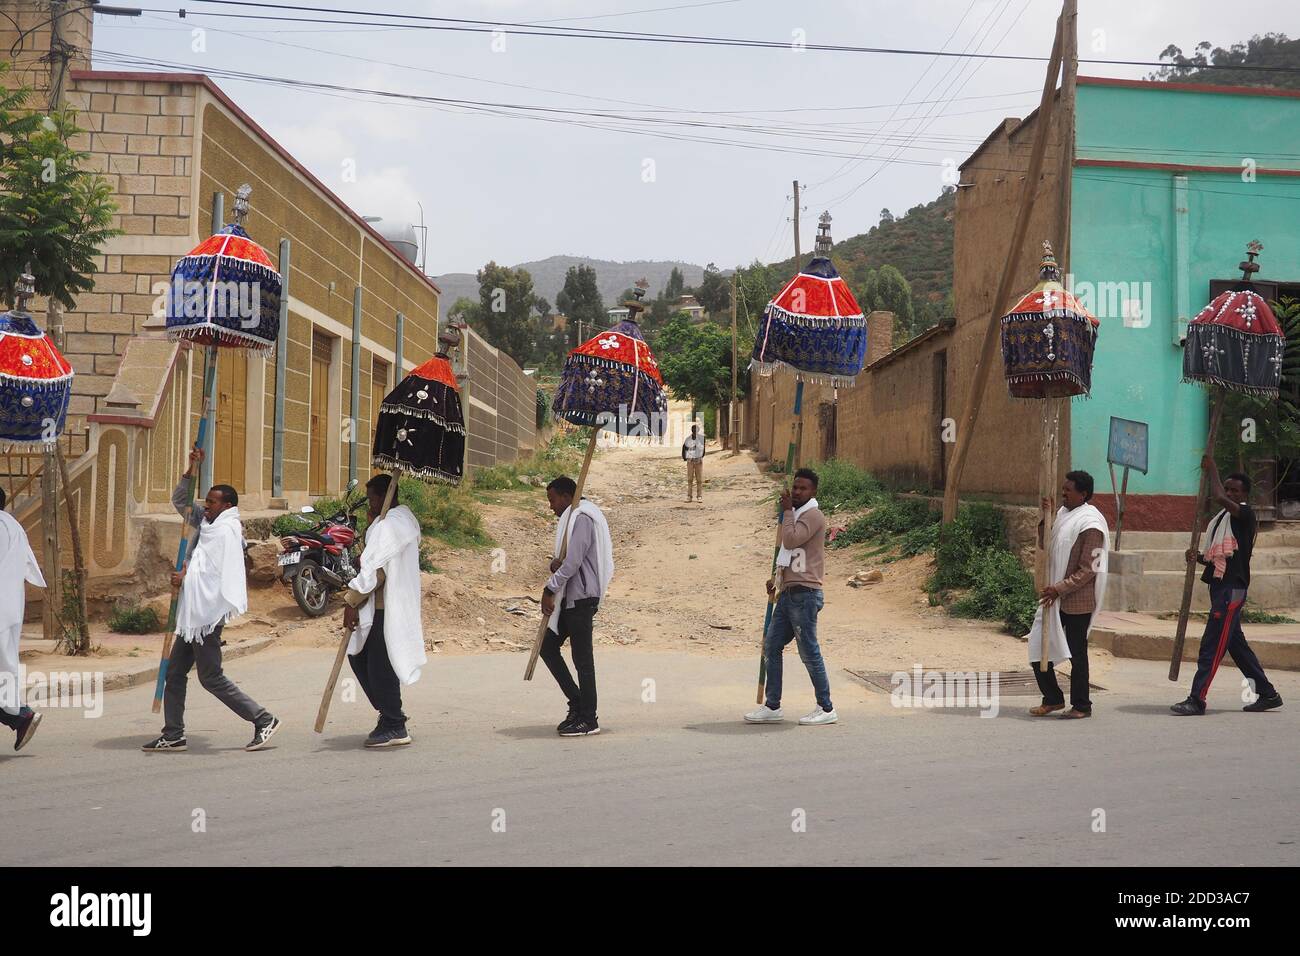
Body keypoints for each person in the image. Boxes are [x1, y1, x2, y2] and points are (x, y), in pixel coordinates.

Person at [142, 447, 280, 753]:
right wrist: (192, 468)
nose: (206, 507)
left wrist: (185, 577)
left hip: (208, 615)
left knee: (211, 677)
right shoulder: (205, 523)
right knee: (175, 672)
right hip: (194, 617)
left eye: (212, 502)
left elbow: (216, 573)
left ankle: (263, 719)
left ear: (227, 505)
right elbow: (179, 500)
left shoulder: (228, 532)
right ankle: (174, 733)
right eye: (206, 502)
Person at [1171, 460, 1283, 716]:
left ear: (1244, 495)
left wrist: (1212, 468)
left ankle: (1196, 699)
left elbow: (1218, 495)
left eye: (1236, 491)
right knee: (1237, 648)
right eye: (1229, 490)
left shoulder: (1245, 514)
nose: (1230, 494)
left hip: (1231, 591)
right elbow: (1220, 558)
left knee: (1211, 645)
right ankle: (1267, 693)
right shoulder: (1223, 518)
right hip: (1222, 589)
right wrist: (1198, 557)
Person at [745, 467, 837, 726]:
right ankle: (773, 705)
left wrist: (786, 511)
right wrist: (777, 580)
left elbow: (791, 540)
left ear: (813, 492)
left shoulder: (813, 516)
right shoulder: (796, 514)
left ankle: (826, 707)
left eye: (803, 488)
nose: (797, 492)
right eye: (795, 487)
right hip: (788, 593)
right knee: (771, 646)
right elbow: (790, 557)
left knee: (809, 652)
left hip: (806, 594)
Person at [341, 474, 425, 748]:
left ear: (380, 497)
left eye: (371, 498)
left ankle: (394, 724)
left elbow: (377, 574)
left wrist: (351, 601)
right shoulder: (397, 522)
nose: (370, 504)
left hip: (383, 606)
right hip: (385, 604)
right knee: (360, 657)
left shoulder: (389, 526)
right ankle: (390, 712)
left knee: (379, 667)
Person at [1027, 470, 1110, 719]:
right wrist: (1048, 515)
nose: (1063, 493)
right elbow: (1046, 543)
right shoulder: (1063, 514)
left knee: (1077, 654)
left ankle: (1082, 705)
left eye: (1068, 490)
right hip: (1054, 596)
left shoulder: (1091, 524)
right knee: (1038, 647)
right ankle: (1052, 698)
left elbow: (1089, 570)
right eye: (1063, 489)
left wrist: (1059, 588)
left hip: (1077, 600)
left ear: (1083, 494)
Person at [539, 476, 614, 737]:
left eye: (552, 500)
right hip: (568, 600)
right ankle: (577, 703)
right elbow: (567, 561)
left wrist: (549, 588)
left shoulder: (582, 518)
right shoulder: (571, 518)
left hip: (581, 599)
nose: (551, 506)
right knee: (547, 647)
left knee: (583, 660)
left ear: (565, 495)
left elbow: (574, 563)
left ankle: (588, 718)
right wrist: (555, 564)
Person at [0, 486, 45, 751]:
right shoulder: (14, 525)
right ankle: (20, 716)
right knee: (4, 668)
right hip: (11, 607)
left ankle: (21, 716)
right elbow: (30, 568)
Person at [682, 424, 706, 502]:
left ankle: (699, 496)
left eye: (696, 430)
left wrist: (701, 456)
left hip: (698, 461)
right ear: (691, 431)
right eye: (693, 430)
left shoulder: (702, 438)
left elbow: (703, 449)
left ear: (698, 431)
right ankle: (689, 496)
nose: (695, 432)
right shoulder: (688, 439)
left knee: (699, 479)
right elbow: (684, 449)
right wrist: (686, 458)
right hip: (690, 461)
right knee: (690, 479)